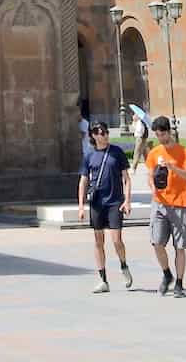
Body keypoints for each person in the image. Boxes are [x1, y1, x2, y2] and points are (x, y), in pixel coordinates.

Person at [77, 120, 133, 294]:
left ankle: (123, 265)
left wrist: (127, 200)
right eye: (100, 133)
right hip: (97, 203)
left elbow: (126, 179)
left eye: (106, 132)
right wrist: (81, 206)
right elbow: (83, 181)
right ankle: (103, 280)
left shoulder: (117, 152)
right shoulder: (90, 156)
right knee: (98, 241)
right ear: (94, 135)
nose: (104, 135)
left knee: (116, 240)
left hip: (115, 201)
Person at [146, 115, 186, 297]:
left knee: (180, 246)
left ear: (168, 132)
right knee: (157, 242)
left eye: (162, 134)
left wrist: (172, 167)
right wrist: (152, 188)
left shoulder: (183, 152)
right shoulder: (154, 153)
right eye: (157, 135)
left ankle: (180, 284)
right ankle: (167, 274)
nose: (160, 138)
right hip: (159, 204)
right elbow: (150, 175)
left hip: (179, 203)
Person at [129, 111, 149, 176]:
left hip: (140, 139)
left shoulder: (140, 123)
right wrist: (134, 122)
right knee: (146, 154)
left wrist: (135, 122)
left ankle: (133, 169)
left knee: (136, 153)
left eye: (135, 114)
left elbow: (139, 131)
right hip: (141, 139)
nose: (133, 116)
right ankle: (150, 167)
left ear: (138, 116)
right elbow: (133, 128)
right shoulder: (137, 122)